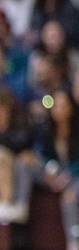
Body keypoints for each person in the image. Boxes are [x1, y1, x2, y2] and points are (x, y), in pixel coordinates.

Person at [29, 91, 79, 250]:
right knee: (27, 163)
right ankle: (15, 209)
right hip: (54, 176)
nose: (58, 110)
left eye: (63, 106)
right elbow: (42, 154)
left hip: (78, 178)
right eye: (55, 106)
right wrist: (51, 171)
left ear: (71, 108)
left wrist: (67, 176)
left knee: (70, 199)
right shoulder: (46, 130)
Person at [0, 86, 34, 223]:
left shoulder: (20, 124)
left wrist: (3, 128)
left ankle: (7, 203)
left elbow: (21, 145)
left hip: (16, 164)